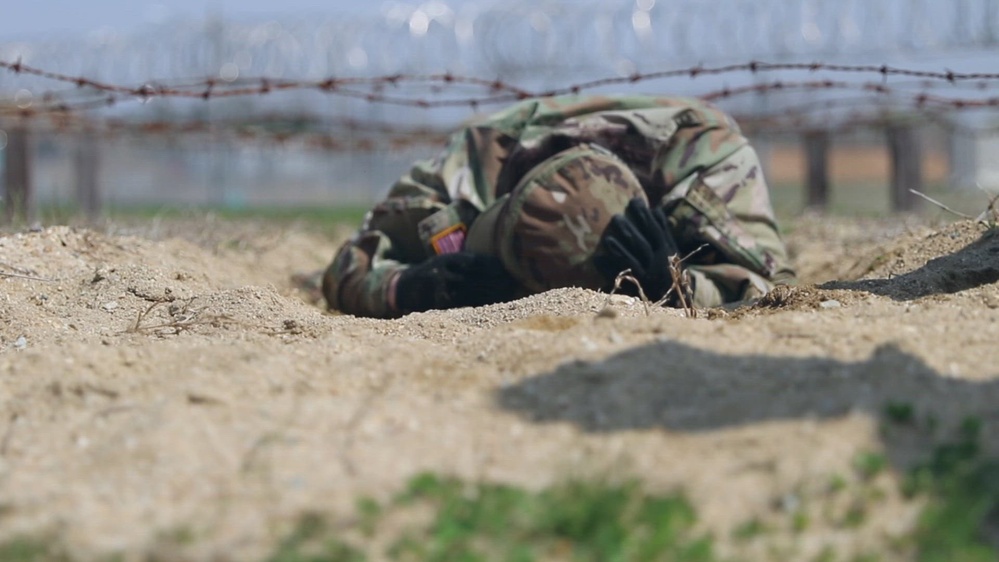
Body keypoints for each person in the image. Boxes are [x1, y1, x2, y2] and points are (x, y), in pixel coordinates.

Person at [320, 94, 795, 318]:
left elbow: (774, 290)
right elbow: (347, 270)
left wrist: (676, 284)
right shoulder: (470, 168)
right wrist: (413, 287)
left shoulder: (709, 162)